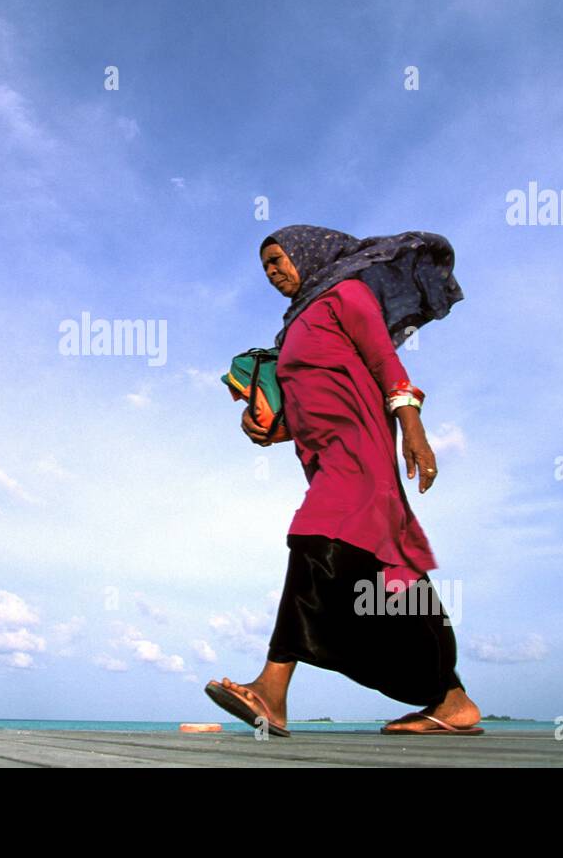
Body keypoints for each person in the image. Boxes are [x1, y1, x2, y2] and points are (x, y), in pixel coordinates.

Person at [205, 224, 483, 736]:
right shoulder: (293, 327)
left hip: (360, 455)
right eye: (264, 267)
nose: (271, 273)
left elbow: (384, 359)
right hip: (326, 463)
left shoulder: (345, 295)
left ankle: (272, 689)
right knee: (386, 577)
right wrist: (271, 428)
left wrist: (413, 426)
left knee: (313, 543)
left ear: (308, 253)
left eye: (277, 260)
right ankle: (451, 700)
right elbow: (315, 400)